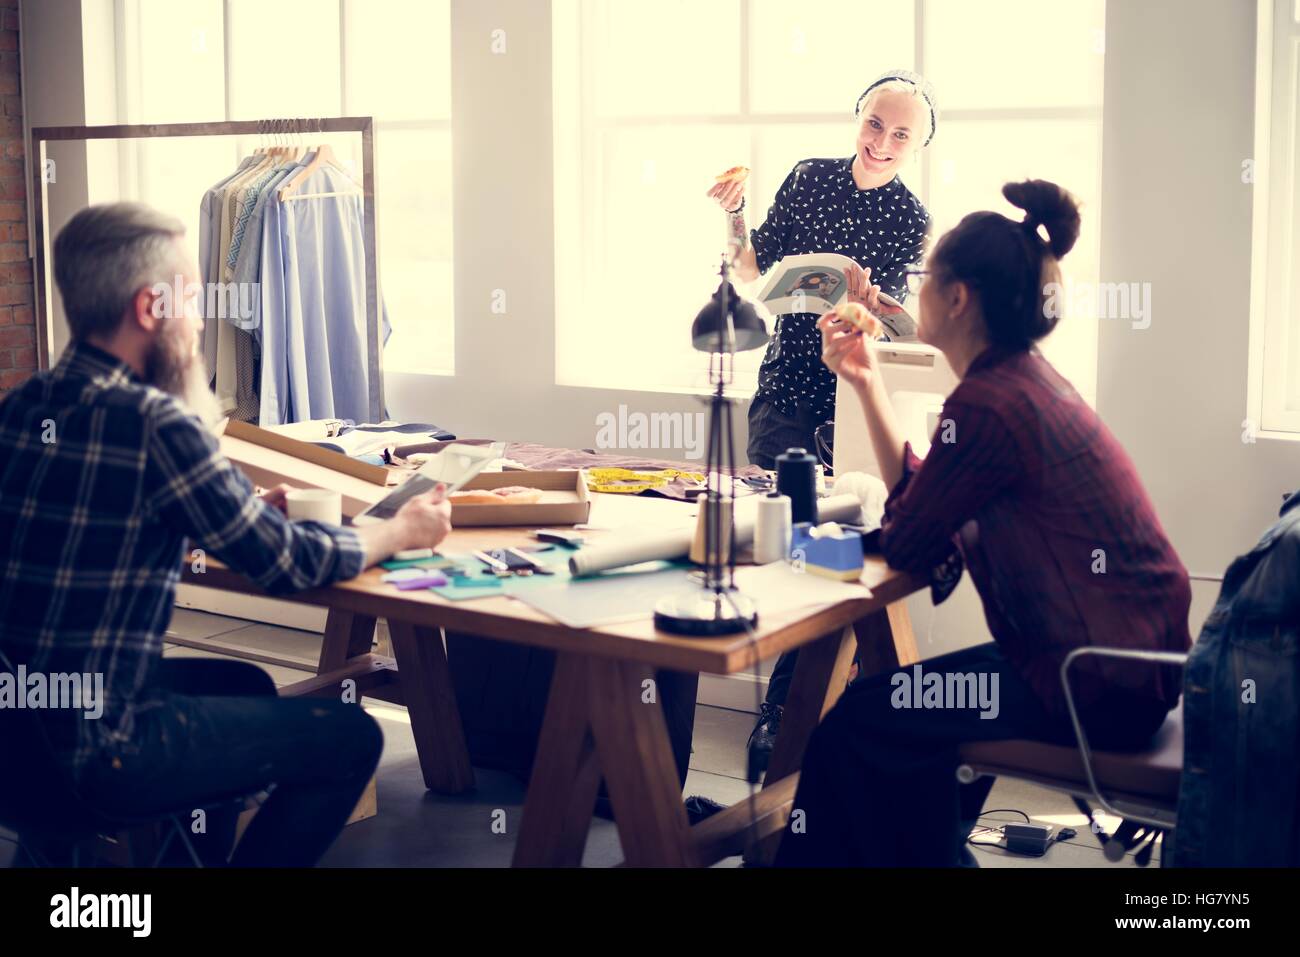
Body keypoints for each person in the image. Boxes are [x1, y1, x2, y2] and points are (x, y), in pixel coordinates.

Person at [0, 203, 453, 866]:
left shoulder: (22, 406)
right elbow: (285, 563)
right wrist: (398, 531)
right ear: (151, 306)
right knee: (350, 737)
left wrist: (206, 523)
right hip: (103, 751)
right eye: (192, 297)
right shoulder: (156, 422)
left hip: (17, 749)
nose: (202, 318)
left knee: (241, 684)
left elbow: (76, 536)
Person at [774, 180, 1192, 866]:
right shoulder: (1022, 382)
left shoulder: (990, 405)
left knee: (854, 724)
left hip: (1087, 681)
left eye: (927, 278)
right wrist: (866, 378)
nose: (917, 290)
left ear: (959, 297)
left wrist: (806, 548)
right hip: (1119, 667)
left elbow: (910, 536)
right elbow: (925, 503)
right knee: (898, 727)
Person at [707, 70, 936, 773]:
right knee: (783, 544)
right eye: (875, 124)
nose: (883, 142)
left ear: (918, 144)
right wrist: (736, 211)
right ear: (857, 118)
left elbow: (903, 330)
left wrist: (874, 301)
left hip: (856, 400)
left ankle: (787, 717)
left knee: (830, 554)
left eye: (901, 134)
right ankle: (789, 713)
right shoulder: (808, 179)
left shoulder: (911, 218)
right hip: (784, 391)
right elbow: (751, 270)